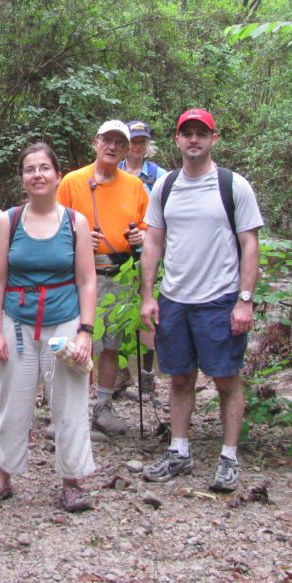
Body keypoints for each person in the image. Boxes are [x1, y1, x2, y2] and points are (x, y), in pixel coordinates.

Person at [140, 108, 263, 492]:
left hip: (219, 300)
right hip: (174, 299)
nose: (193, 140)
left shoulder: (233, 185)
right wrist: (148, 295)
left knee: (226, 378)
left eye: (201, 133)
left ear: (213, 139)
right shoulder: (166, 186)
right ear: (177, 139)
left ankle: (228, 457)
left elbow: (250, 244)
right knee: (179, 378)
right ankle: (180, 450)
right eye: (187, 133)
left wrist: (245, 300)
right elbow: (154, 242)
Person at [0, 143, 97, 512]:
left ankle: (72, 482)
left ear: (59, 175)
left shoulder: (75, 223)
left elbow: (87, 281)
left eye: (45, 168)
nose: (38, 174)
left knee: (70, 403)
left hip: (64, 321)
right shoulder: (7, 222)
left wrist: (85, 332)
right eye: (30, 169)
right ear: (22, 178)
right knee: (13, 402)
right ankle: (3, 477)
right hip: (18, 323)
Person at [56, 120, 148, 436]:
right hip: (80, 276)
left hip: (120, 274)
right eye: (106, 140)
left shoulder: (135, 186)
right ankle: (71, 410)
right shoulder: (71, 181)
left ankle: (103, 408)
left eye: (119, 143)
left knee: (111, 345)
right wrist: (78, 239)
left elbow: (148, 230)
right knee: (78, 342)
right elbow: (53, 226)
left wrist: (140, 239)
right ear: (95, 142)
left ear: (126, 149)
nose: (112, 147)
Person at [118, 120, 169, 394]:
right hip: (121, 253)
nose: (137, 146)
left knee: (149, 311)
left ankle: (147, 374)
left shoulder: (161, 176)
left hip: (151, 251)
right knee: (121, 310)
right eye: (133, 141)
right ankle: (122, 371)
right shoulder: (114, 172)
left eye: (141, 142)